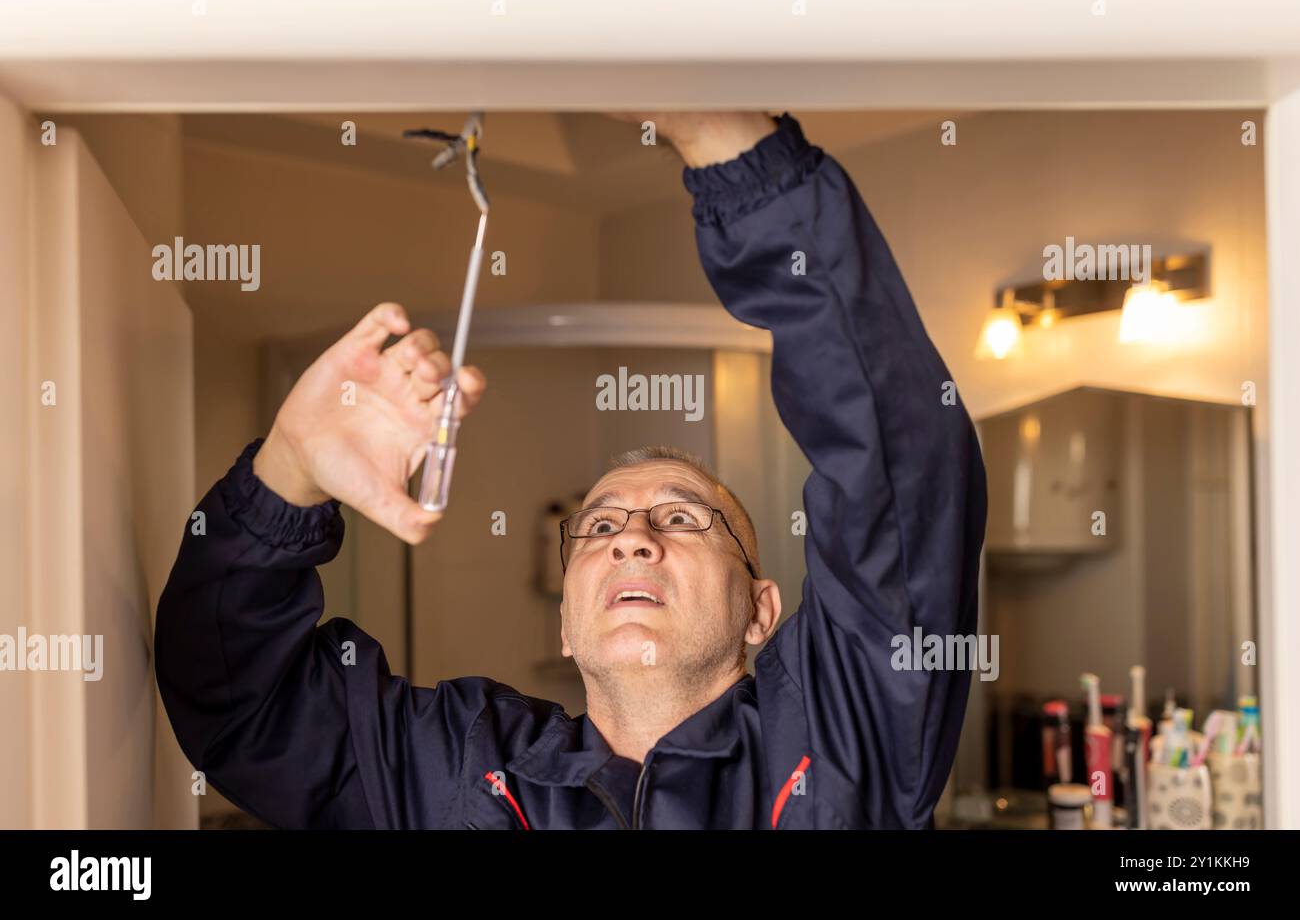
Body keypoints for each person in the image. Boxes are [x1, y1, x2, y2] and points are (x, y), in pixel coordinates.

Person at [155, 111, 987, 829]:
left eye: (683, 515)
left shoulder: (837, 739)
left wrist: (714, 130)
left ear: (760, 611)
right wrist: (288, 476)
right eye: (598, 525)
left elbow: (904, 477)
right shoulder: (456, 771)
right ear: (564, 625)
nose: (631, 539)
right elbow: (239, 702)